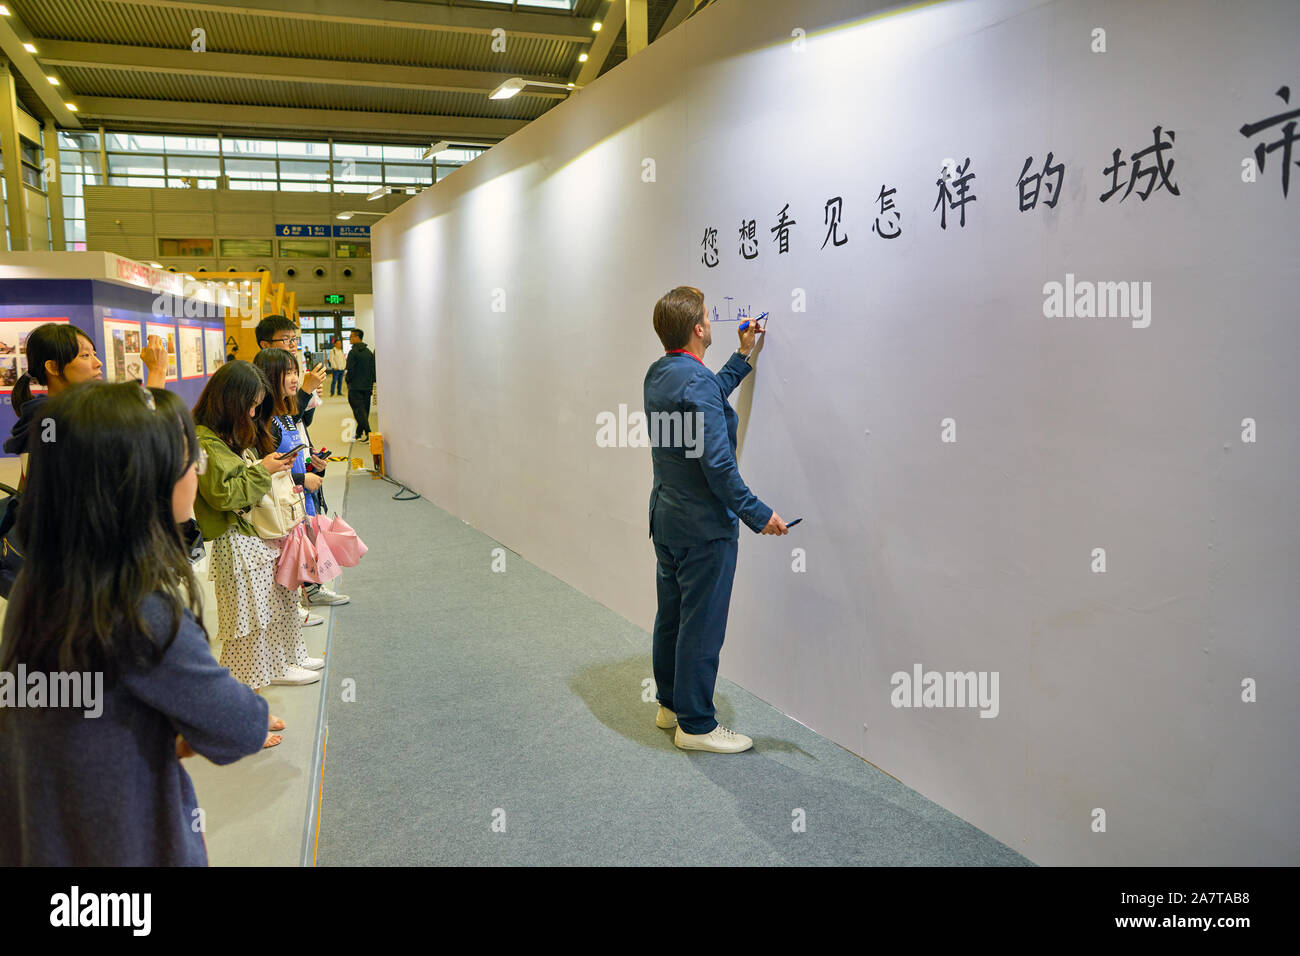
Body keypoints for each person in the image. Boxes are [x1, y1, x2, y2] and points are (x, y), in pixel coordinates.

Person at [0, 382, 269, 865]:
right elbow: (239, 726)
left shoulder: (39, 586)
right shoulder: (144, 609)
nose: (196, 473)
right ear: (142, 480)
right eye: (190, 462)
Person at [643, 286, 788, 754]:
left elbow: (705, 395)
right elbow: (719, 466)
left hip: (667, 519)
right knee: (701, 625)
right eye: (708, 316)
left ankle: (670, 705)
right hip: (704, 528)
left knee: (673, 619)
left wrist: (743, 355)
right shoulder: (695, 382)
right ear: (700, 328)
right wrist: (758, 513)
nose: (713, 320)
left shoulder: (660, 373)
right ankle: (697, 725)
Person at [192, 361, 321, 718]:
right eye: (250, 405)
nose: (253, 412)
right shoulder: (206, 441)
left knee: (270, 613)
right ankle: (240, 711)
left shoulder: (222, 438)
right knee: (247, 628)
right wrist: (263, 470)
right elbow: (224, 495)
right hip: (236, 541)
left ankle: (252, 703)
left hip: (252, 537)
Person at [253, 347, 349, 614]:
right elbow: (266, 471)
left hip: (300, 493)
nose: (295, 378)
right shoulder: (266, 421)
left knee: (305, 542)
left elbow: (297, 444)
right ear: (270, 377)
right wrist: (301, 476)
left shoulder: (284, 415)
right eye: (287, 373)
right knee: (288, 552)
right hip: (284, 499)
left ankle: (310, 592)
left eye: (296, 372)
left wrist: (314, 467)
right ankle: (294, 603)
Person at [344, 328, 375, 441]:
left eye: (351, 336)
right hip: (367, 386)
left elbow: (350, 370)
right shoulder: (368, 352)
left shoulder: (353, 352)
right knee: (364, 410)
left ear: (357, 337)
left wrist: (348, 380)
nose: (350, 338)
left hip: (355, 387)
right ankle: (359, 433)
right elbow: (373, 370)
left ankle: (368, 433)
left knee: (358, 411)